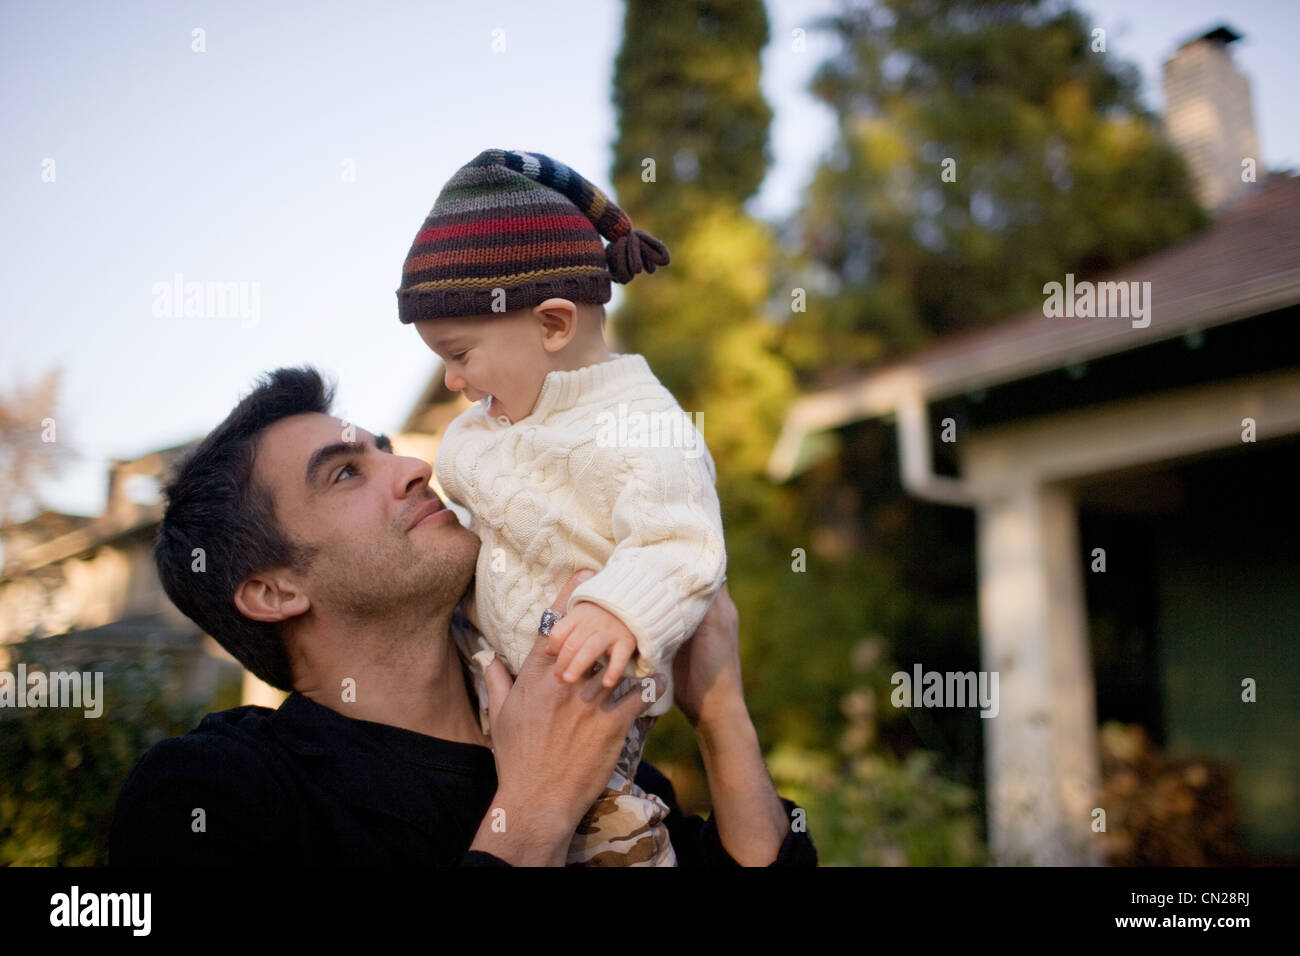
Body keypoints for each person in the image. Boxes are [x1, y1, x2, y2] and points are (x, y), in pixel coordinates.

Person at [109, 366, 816, 866]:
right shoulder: (215, 798)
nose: (413, 468)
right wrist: (536, 808)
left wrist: (721, 716)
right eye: (345, 473)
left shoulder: (583, 732)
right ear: (273, 590)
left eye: (384, 449)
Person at [397, 147, 724, 865]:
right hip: (491, 694)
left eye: (459, 354)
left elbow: (684, 544)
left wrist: (616, 609)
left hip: (591, 691)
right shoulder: (485, 428)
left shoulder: (642, 421)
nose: (452, 380)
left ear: (552, 325)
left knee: (607, 837)